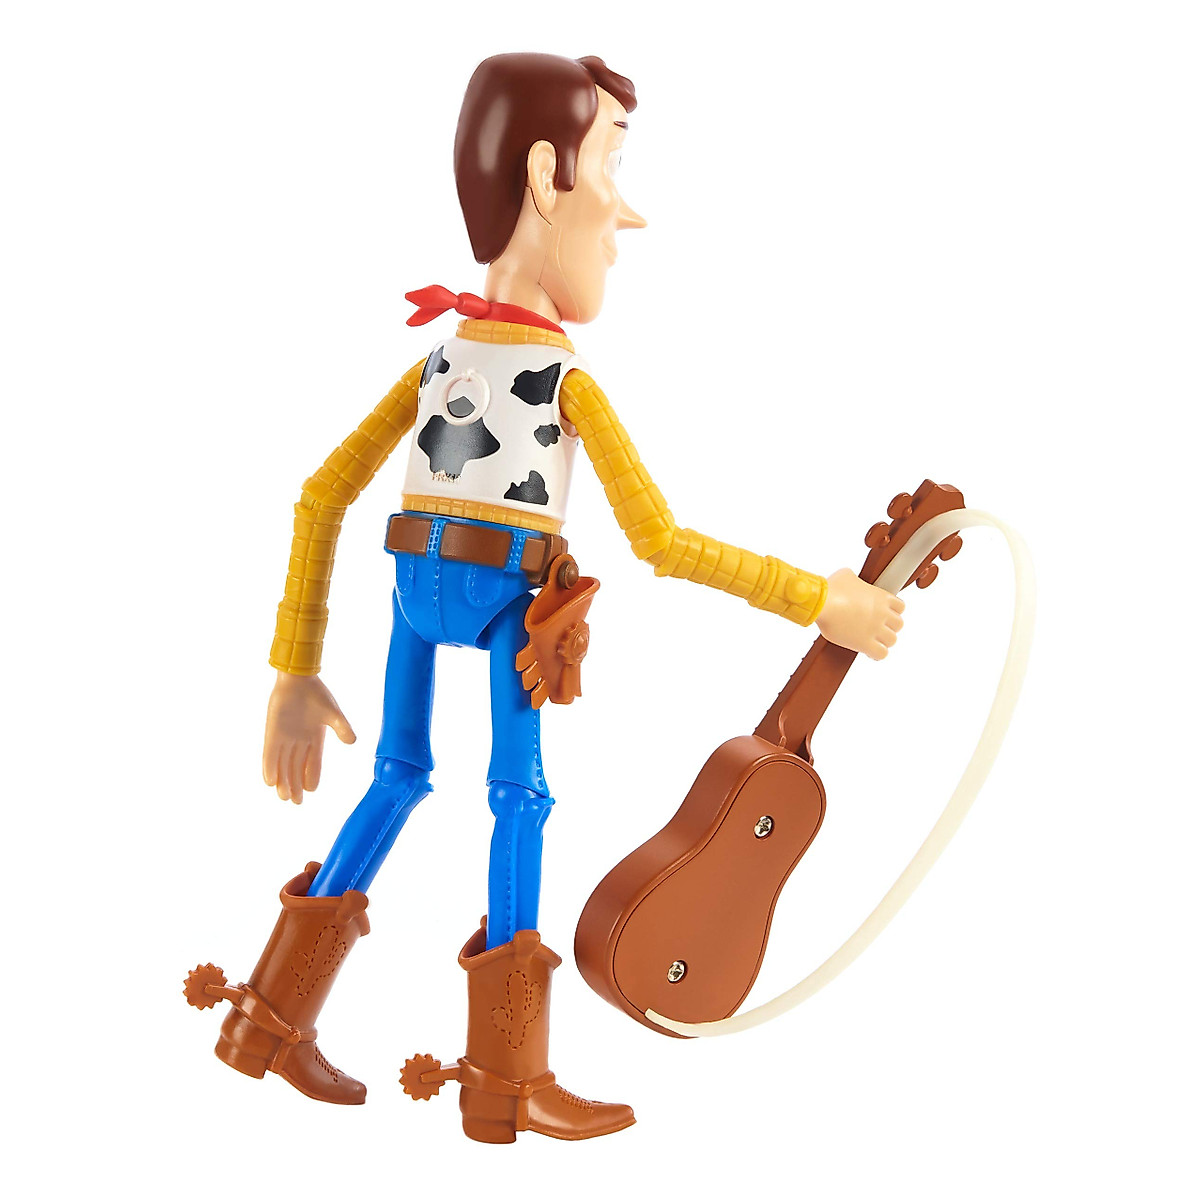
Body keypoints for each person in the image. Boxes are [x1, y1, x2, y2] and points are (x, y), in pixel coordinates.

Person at [185, 52, 904, 1144]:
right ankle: (506, 1080)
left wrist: (296, 669)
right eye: (611, 164)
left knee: (397, 776)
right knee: (516, 798)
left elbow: (322, 494)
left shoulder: (440, 360)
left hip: (414, 589)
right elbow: (661, 542)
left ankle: (266, 1023)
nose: (630, 217)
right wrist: (822, 601)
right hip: (504, 597)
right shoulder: (562, 383)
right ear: (542, 176)